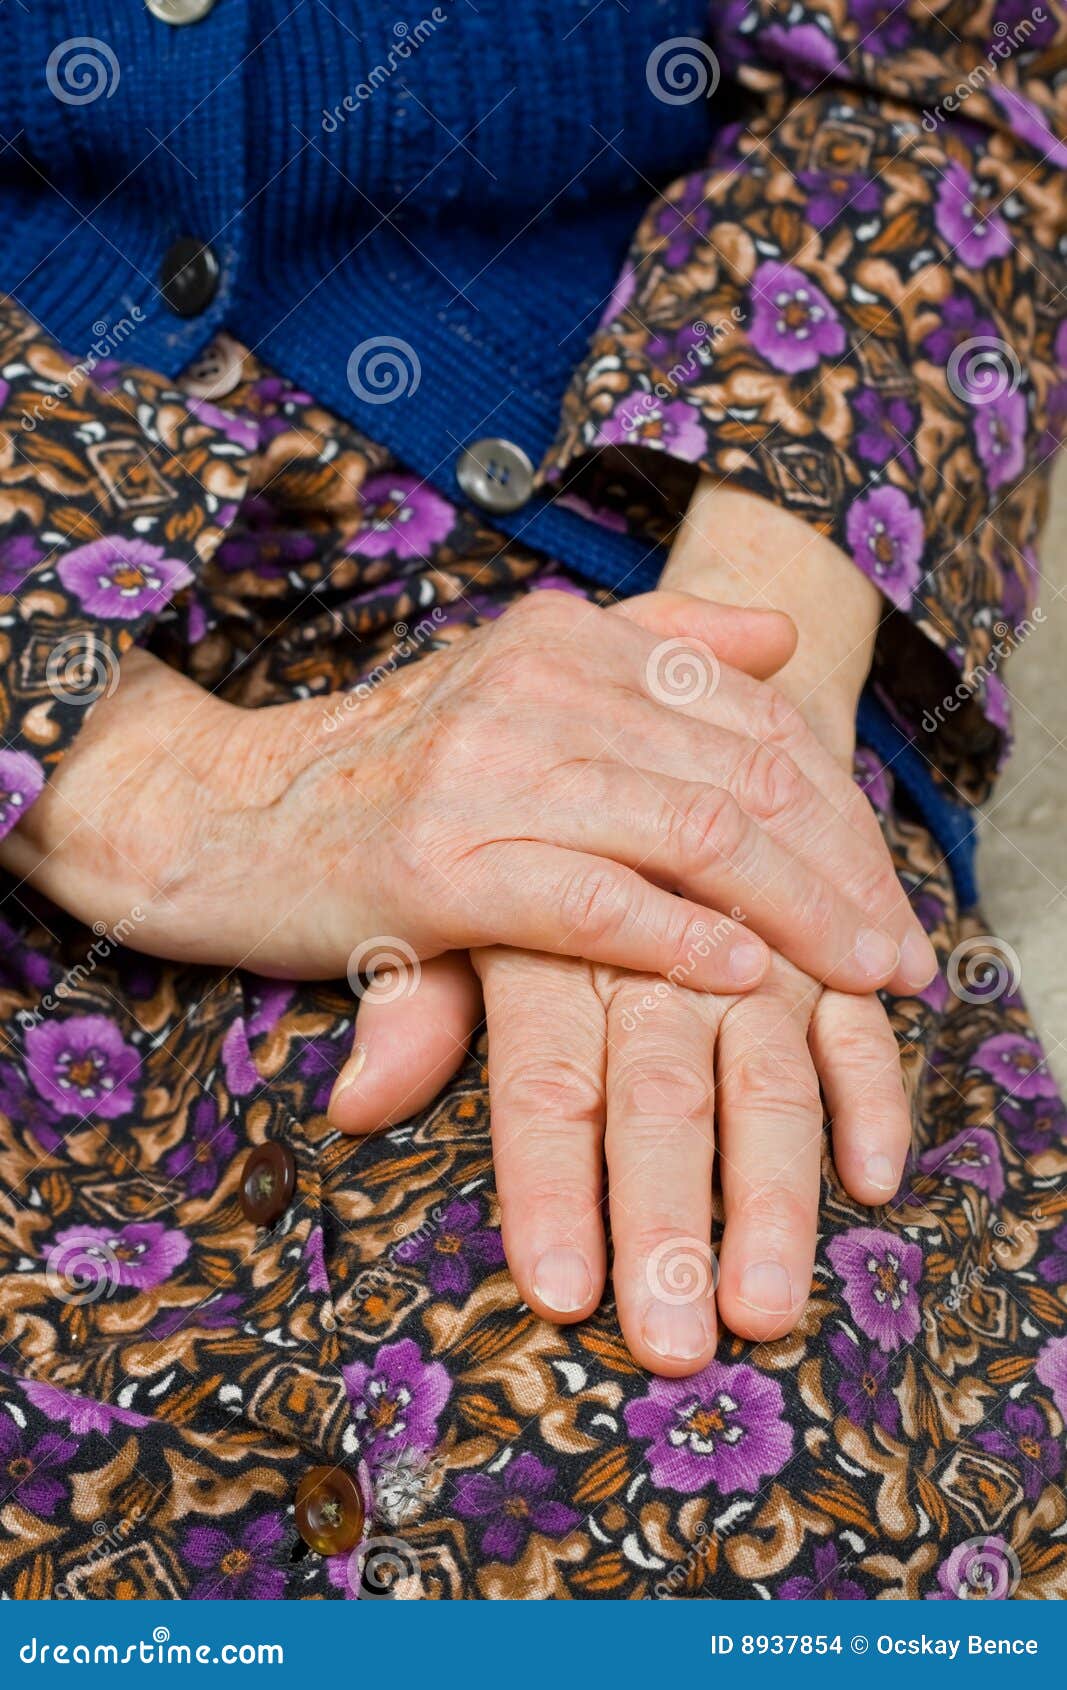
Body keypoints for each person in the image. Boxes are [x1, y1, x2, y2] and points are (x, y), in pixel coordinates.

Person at [0, 0, 1063, 1601]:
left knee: (742, 1410)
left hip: (599, 543)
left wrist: (714, 721)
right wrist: (150, 773)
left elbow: (954, 77)